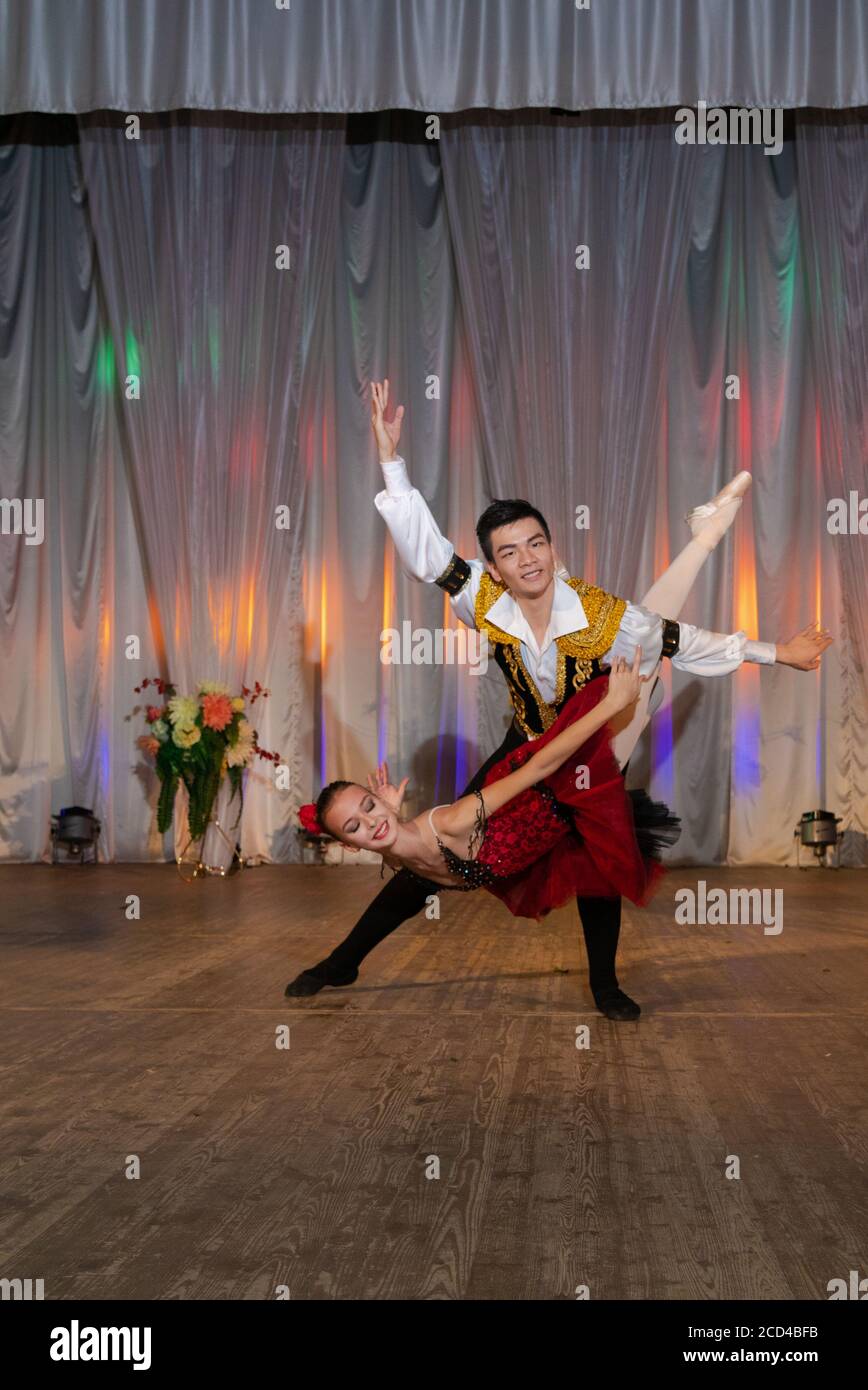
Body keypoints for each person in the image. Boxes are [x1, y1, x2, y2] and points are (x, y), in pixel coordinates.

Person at [286, 381, 833, 1019]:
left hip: (593, 737)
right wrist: (390, 460)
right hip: (526, 745)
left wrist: (776, 654)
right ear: (494, 567)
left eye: (536, 544)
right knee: (432, 858)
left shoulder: (599, 613)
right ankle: (343, 961)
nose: (527, 560)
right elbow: (427, 552)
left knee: (599, 858)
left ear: (553, 547)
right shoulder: (483, 599)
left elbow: (679, 638)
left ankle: (604, 984)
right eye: (509, 552)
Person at [299, 649, 681, 923]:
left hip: (567, 782)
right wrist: (389, 812)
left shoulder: (452, 821)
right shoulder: (397, 855)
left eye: (367, 807)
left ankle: (705, 540)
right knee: (640, 670)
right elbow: (388, 843)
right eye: (355, 826)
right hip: (554, 825)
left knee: (648, 644)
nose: (370, 822)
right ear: (349, 846)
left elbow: (542, 765)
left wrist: (610, 705)